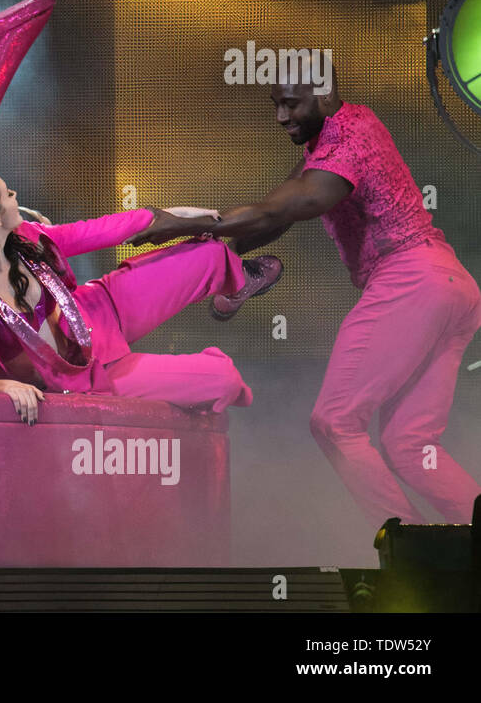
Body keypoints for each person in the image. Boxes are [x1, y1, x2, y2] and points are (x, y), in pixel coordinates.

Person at [130, 53, 481, 525]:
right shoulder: (335, 137)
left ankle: (409, 553)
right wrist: (212, 249)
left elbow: (284, 210)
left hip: (412, 280)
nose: (281, 118)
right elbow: (274, 210)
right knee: (412, 445)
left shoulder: (348, 141)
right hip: (451, 288)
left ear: (325, 95)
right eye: (275, 105)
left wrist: (177, 224)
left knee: (335, 423)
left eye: (291, 105)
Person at [0, 171, 281, 423]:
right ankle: (203, 372)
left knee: (208, 254)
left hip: (101, 308)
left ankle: (236, 289)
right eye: (8, 194)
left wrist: (170, 217)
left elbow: (95, 231)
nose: (15, 197)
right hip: (94, 374)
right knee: (224, 380)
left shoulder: (27, 237)